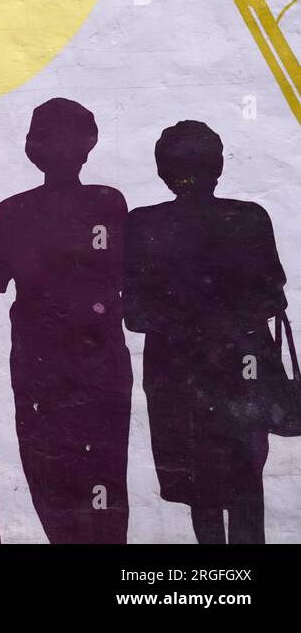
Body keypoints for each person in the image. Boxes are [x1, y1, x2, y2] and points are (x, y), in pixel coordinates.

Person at [0, 98, 132, 542]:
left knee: (81, 474)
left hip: (77, 364)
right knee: (71, 474)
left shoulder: (101, 205)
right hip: (58, 365)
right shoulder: (27, 211)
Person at [124, 120, 286, 544]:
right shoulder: (249, 218)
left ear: (163, 170)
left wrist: (186, 324)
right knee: (247, 481)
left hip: (178, 373)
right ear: (218, 166)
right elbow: (274, 299)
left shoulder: (143, 224)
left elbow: (136, 315)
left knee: (202, 490)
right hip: (243, 367)